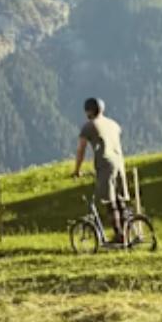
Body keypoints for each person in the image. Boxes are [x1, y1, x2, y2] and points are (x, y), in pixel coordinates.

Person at [72, 97, 127, 240]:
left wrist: (77, 170)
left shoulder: (89, 126)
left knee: (110, 202)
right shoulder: (113, 124)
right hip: (119, 163)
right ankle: (128, 231)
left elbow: (81, 150)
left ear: (88, 112)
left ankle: (119, 235)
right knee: (120, 199)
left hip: (105, 165)